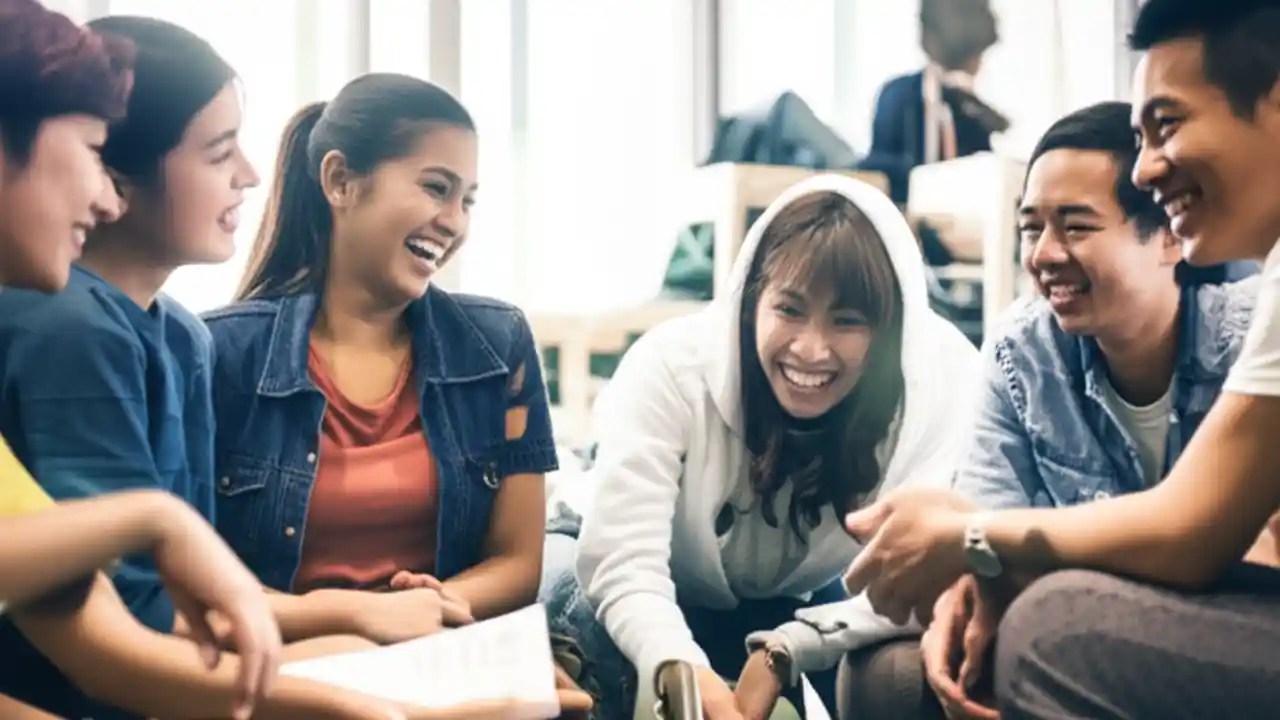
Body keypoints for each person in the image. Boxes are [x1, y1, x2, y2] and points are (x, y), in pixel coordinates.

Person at [843, 0, 1280, 717]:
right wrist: (977, 568)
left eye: (1166, 127)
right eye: (1030, 228)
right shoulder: (1023, 349)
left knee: (1054, 630)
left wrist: (969, 535)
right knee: (911, 666)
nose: (1149, 170)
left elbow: (1197, 531)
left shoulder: (1248, 319)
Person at [0, 3, 420, 719]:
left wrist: (342, 623)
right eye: (89, 148)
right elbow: (114, 643)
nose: (99, 190)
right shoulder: (65, 324)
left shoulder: (183, 338)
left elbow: (126, 615)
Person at [545, 174, 979, 720]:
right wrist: (683, 672)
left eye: (847, 321)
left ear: (888, 330)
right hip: (613, 561)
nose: (811, 349)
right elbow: (623, 563)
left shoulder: (936, 387)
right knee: (574, 620)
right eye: (789, 310)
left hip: (791, 596)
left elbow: (936, 576)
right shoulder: (669, 366)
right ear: (751, 302)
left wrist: (787, 648)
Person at [860, 0, 1010, 204]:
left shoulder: (971, 114)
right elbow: (878, 170)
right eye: (978, 58)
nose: (980, 67)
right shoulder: (899, 96)